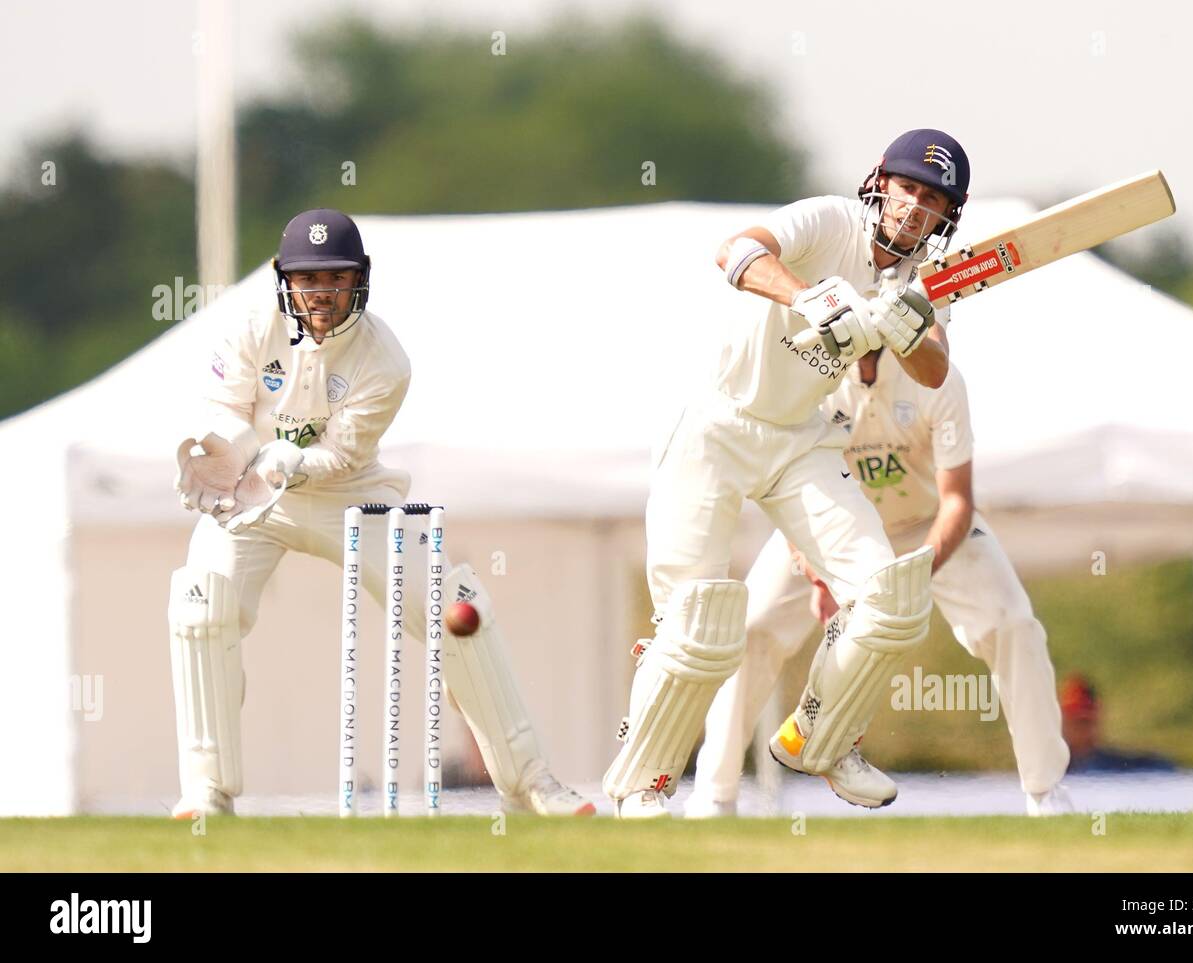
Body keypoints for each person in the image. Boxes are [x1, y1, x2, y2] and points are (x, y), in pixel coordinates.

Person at [169, 208, 593, 818]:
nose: (322, 294)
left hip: (351, 496)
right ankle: (208, 791)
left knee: (453, 606)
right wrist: (229, 453)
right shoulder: (248, 327)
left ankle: (532, 782)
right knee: (201, 605)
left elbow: (341, 455)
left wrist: (288, 459)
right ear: (281, 277)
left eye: (336, 279)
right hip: (253, 492)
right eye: (309, 280)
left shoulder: (385, 360)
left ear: (360, 279)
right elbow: (225, 409)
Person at [604, 130, 971, 818]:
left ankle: (822, 737)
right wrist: (812, 298)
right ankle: (643, 783)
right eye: (908, 188)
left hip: (804, 441)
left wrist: (907, 327)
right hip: (719, 424)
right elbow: (735, 251)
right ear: (880, 184)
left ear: (947, 215)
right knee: (698, 620)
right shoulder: (830, 219)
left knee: (889, 596)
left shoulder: (922, 283)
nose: (915, 208)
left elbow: (936, 369)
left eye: (932, 200)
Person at [685, 348, 1074, 818]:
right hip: (830, 527)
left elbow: (956, 501)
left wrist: (906, 585)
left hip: (926, 525)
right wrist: (818, 574)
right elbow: (784, 486)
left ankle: (1045, 792)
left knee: (1012, 624)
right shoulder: (809, 379)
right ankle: (714, 794)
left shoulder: (937, 376)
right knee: (752, 630)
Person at [1061, 674, 1177, 774]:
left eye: (1085, 722)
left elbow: (1165, 770)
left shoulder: (1117, 767)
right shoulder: (1052, 771)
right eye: (1075, 722)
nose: (1081, 730)